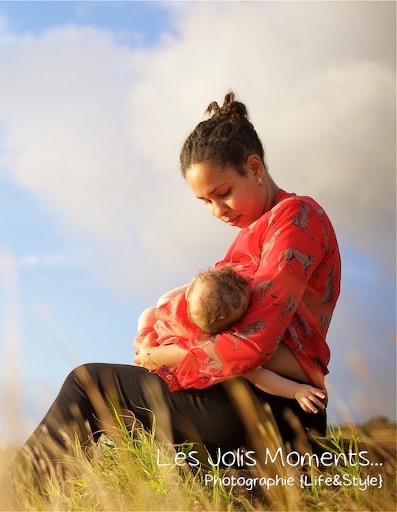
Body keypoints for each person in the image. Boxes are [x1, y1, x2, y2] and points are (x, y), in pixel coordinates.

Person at [19, 91, 341, 486]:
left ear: (254, 167)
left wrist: (161, 354)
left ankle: (6, 500)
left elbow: (252, 344)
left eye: (223, 193)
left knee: (88, 384)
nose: (217, 211)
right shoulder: (250, 237)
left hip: (278, 403)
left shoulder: (296, 217)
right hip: (241, 396)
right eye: (205, 201)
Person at [137, 265, 327, 414]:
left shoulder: (168, 303)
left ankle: (142, 350)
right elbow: (259, 376)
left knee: (147, 314)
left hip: (159, 343)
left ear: (188, 293)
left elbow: (161, 304)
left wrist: (146, 340)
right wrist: (296, 391)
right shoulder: (217, 344)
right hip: (171, 365)